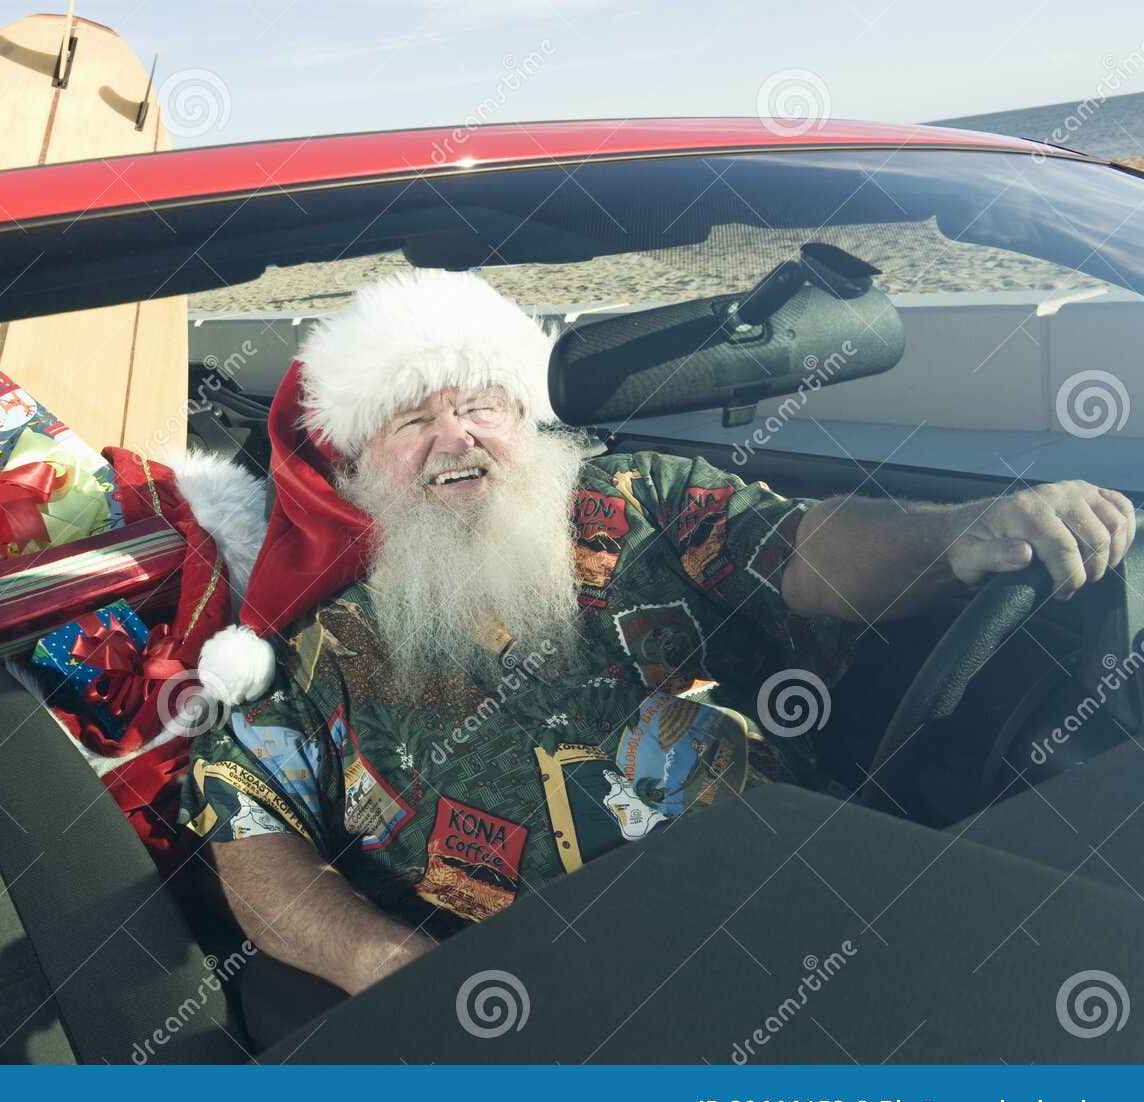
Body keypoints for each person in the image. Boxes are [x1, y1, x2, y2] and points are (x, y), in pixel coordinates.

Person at [178, 268, 1136, 998]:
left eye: (480, 404)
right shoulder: (319, 653)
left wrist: (955, 536)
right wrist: (387, 961)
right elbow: (248, 828)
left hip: (811, 911)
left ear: (525, 419)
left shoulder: (638, 499)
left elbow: (801, 550)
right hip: (564, 1011)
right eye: (412, 419)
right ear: (355, 466)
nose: (457, 436)